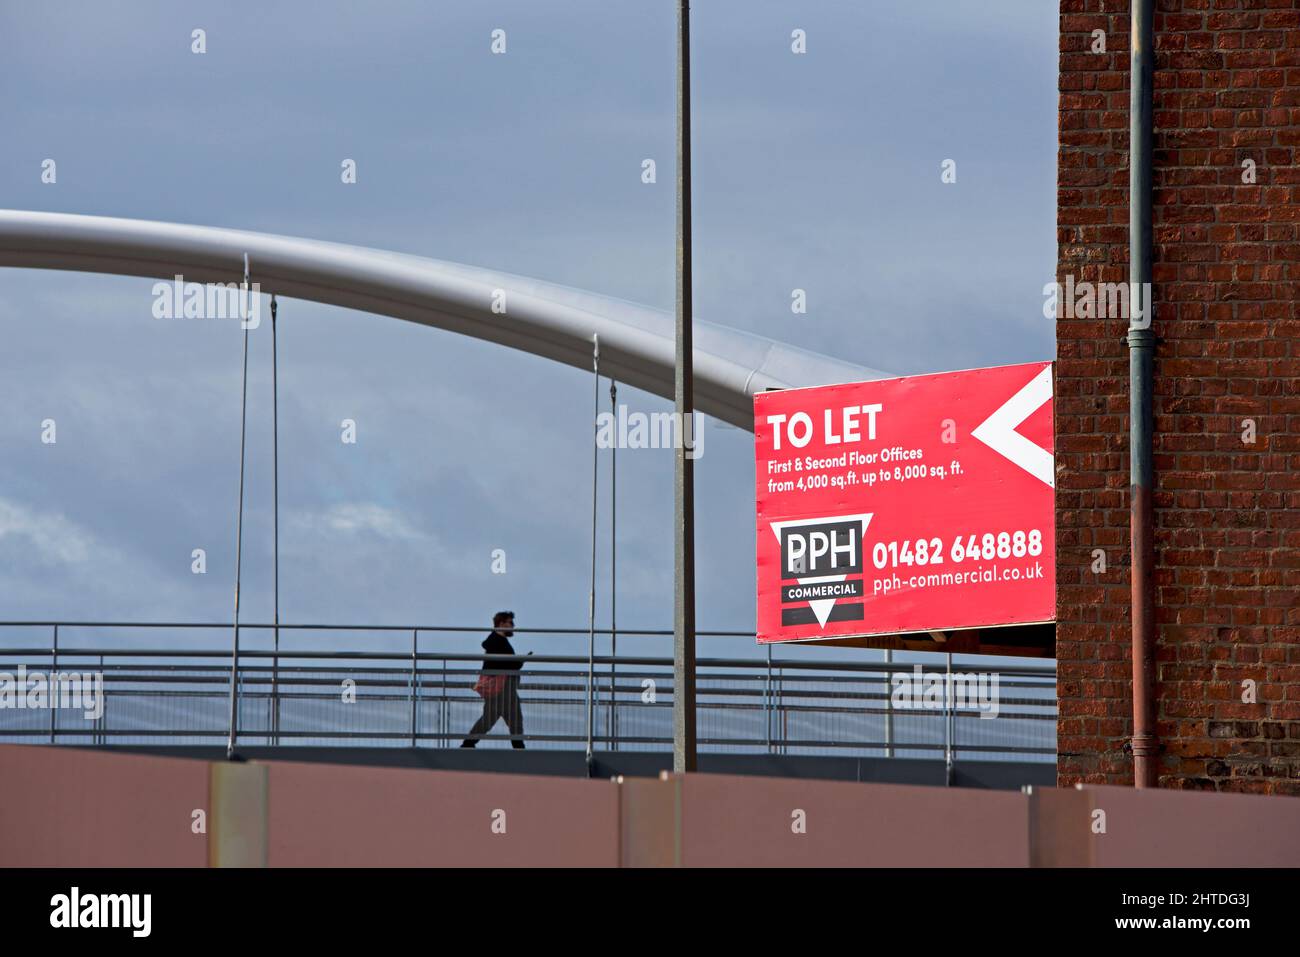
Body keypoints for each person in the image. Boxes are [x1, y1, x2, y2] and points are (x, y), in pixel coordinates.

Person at [460, 611, 530, 749]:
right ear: (501, 624)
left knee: (502, 721)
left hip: (503, 689)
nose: (513, 626)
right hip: (502, 689)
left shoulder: (497, 642)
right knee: (507, 721)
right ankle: (468, 745)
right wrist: (520, 662)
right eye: (510, 622)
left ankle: (467, 745)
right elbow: (505, 664)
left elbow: (503, 664)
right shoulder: (496, 643)